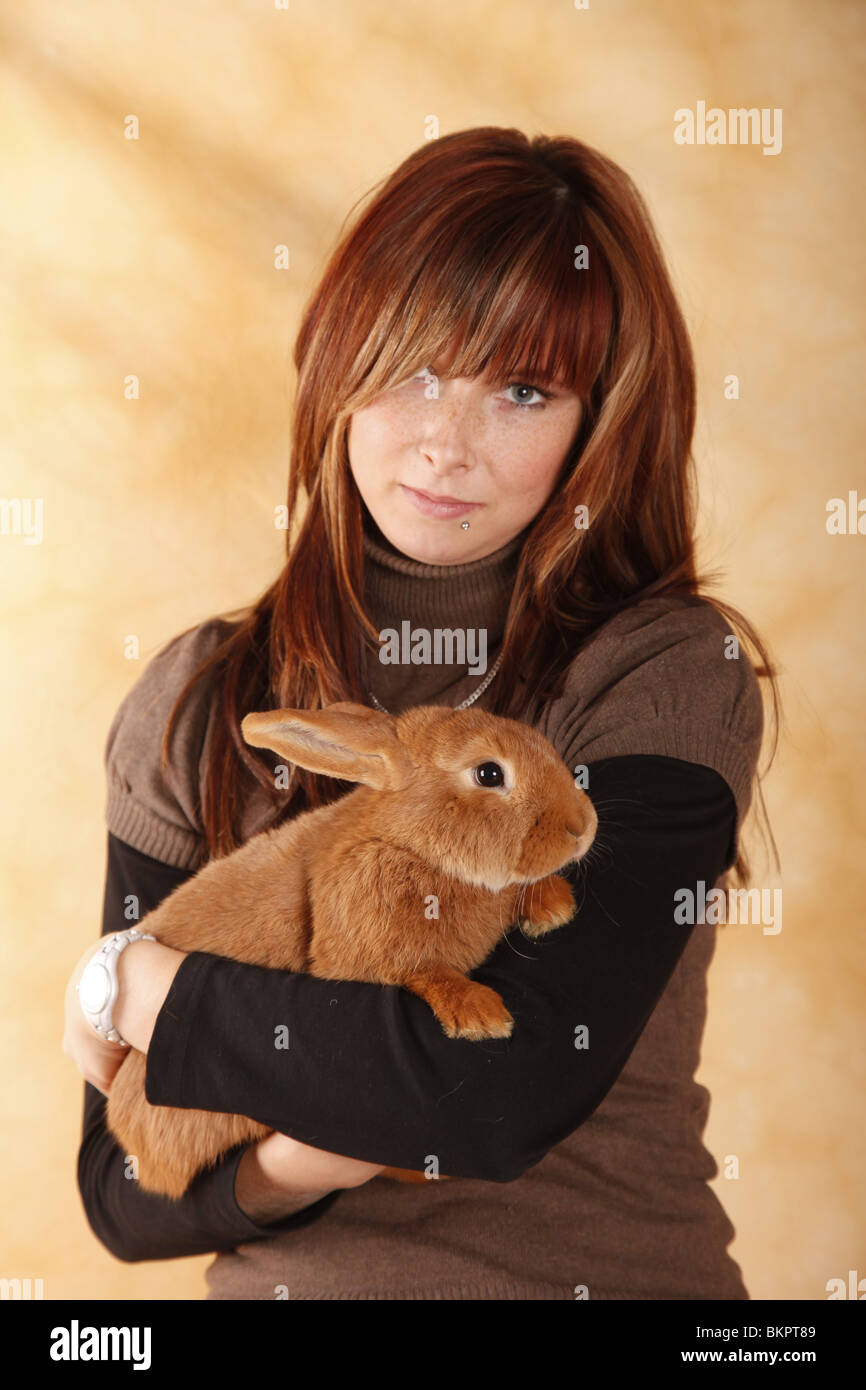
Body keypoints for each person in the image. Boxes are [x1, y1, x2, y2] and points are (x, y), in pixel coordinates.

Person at [63, 126, 780, 1300]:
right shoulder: (197, 701)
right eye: (411, 368)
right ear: (339, 363)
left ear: (598, 417)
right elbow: (120, 1189)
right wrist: (299, 1160)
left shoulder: (660, 674)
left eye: (520, 388)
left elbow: (504, 1089)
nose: (446, 442)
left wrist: (140, 990)